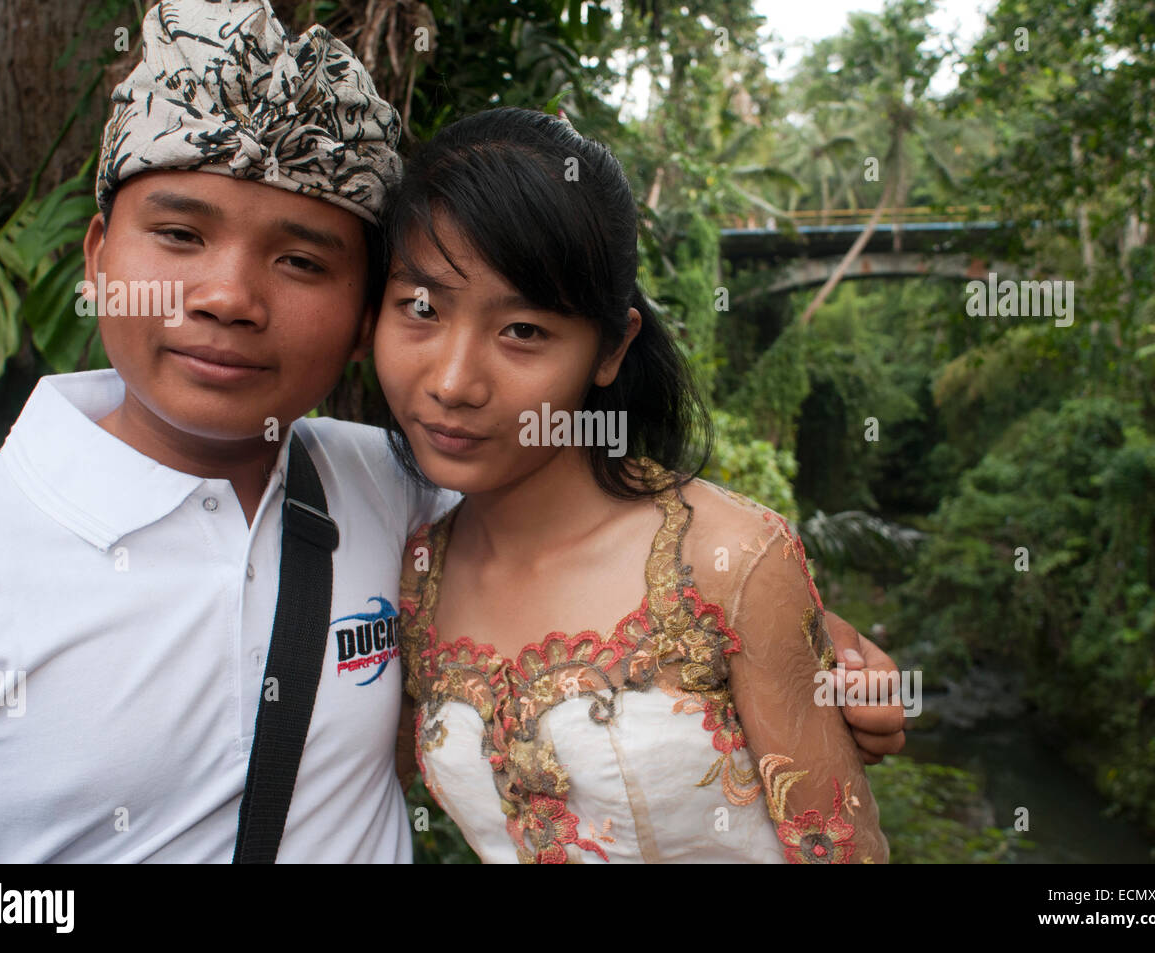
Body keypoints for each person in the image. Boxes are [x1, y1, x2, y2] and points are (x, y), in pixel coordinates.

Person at [0, 0, 459, 863]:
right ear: (97, 261)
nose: (228, 297)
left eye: (301, 261)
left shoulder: (404, 485)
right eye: (179, 234)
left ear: (366, 317)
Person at [382, 107, 894, 863]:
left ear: (611, 348)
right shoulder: (409, 568)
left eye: (522, 330)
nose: (453, 383)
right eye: (421, 308)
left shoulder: (728, 561)